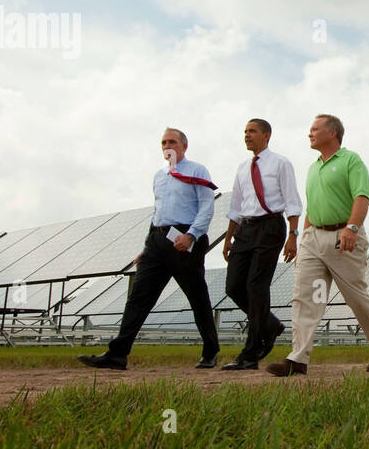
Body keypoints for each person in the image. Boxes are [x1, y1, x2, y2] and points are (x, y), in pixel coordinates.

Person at [79, 127, 220, 370]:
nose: (168, 146)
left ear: (184, 146)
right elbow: (158, 213)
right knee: (138, 297)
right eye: (164, 142)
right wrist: (147, 246)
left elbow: (206, 207)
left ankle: (210, 351)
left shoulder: (197, 170)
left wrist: (192, 235)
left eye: (173, 142)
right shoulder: (159, 176)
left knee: (197, 297)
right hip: (157, 241)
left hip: (184, 240)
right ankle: (118, 354)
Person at [264, 114, 369, 376]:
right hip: (313, 240)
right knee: (305, 297)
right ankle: (298, 358)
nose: (309, 133)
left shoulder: (350, 160)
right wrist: (304, 238)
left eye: (314, 129)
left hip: (342, 238)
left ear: (332, 133)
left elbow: (362, 197)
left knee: (355, 297)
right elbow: (312, 206)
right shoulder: (313, 168)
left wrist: (352, 228)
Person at [220, 118, 302, 370]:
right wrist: (228, 236)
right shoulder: (243, 168)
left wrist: (293, 234)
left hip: (270, 227)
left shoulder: (280, 163)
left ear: (267, 135)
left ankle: (251, 352)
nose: (246, 135)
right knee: (234, 286)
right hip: (245, 229)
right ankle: (270, 324)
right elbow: (236, 205)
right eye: (245, 131)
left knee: (257, 286)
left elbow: (292, 200)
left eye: (252, 131)